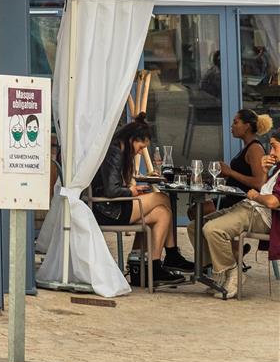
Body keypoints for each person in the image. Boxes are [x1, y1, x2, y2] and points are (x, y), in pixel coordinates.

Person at [90, 116, 183, 284]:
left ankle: (151, 267)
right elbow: (111, 190)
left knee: (162, 213)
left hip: (111, 207)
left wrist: (137, 183)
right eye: (141, 147)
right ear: (132, 139)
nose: (140, 151)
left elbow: (111, 182)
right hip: (108, 209)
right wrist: (131, 190)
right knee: (162, 197)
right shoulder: (115, 151)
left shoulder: (118, 149)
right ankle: (171, 255)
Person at [202, 130, 280, 296]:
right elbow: (266, 188)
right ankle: (221, 275)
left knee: (212, 229)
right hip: (248, 207)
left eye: (274, 147)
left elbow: (273, 201)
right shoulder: (277, 168)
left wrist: (256, 196)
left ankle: (233, 274)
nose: (271, 152)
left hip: (259, 215)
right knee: (197, 227)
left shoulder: (255, 148)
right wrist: (265, 172)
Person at [219, 110, 273, 194]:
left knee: (202, 206)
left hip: (245, 202)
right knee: (201, 205)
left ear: (246, 126)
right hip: (233, 198)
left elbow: (259, 183)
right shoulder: (248, 147)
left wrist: (230, 172)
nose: (232, 126)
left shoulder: (255, 149)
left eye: (236, 123)